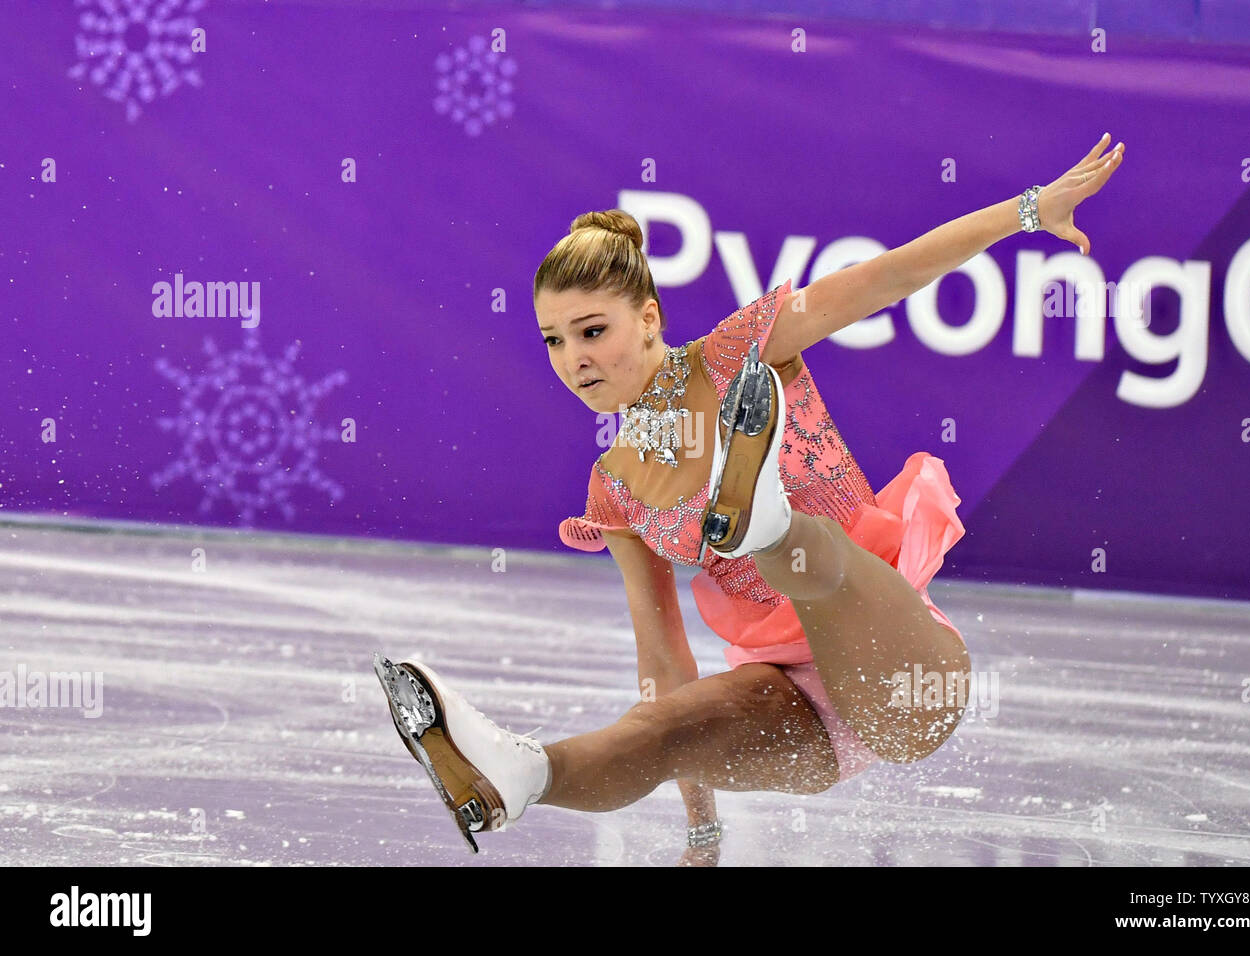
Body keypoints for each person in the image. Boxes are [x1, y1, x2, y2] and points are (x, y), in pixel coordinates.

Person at [375, 133, 1125, 864]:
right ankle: (519, 773)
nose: (574, 360)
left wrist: (1030, 210)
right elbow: (664, 660)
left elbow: (891, 275)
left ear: (648, 318)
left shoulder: (741, 351)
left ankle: (766, 522)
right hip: (799, 716)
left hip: (899, 673)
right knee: (659, 730)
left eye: (592, 330)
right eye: (553, 341)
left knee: (818, 556)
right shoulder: (617, 483)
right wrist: (703, 840)